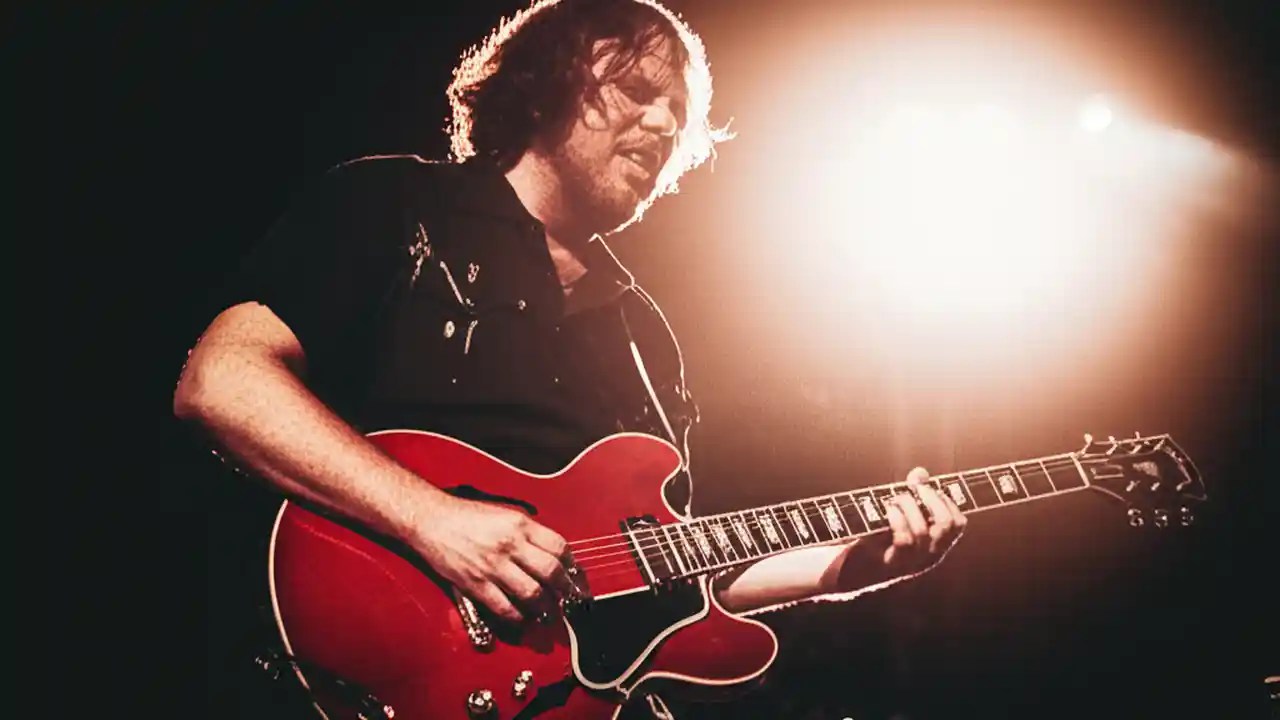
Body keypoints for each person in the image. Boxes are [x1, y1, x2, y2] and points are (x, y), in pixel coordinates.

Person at [173, 0, 967, 716]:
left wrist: (852, 565)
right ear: (547, 84)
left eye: (679, 114)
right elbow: (223, 381)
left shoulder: (642, 334)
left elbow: (670, 562)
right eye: (638, 93)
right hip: (340, 670)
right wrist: (433, 520)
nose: (664, 127)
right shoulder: (396, 207)